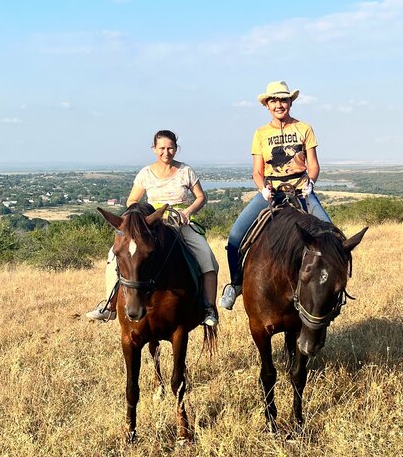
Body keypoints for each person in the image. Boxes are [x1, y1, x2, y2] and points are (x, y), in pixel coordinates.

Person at [87, 130, 219, 327]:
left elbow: (201, 197)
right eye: (162, 148)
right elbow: (132, 200)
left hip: (179, 223)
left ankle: (209, 307)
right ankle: (109, 305)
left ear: (176, 148)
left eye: (171, 148)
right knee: (113, 256)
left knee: (206, 256)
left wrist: (188, 212)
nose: (166, 152)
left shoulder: (186, 171)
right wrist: (141, 217)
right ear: (154, 149)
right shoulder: (146, 173)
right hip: (150, 226)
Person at [220, 80, 332, 310]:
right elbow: (257, 171)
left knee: (332, 237)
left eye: (283, 99)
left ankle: (331, 289)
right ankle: (235, 284)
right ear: (267, 105)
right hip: (271, 192)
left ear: (290, 102)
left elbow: (313, 165)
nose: (279, 104)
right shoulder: (260, 134)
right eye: (274, 100)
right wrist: (263, 188)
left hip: (301, 189)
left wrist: (310, 183)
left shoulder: (304, 128)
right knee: (234, 237)